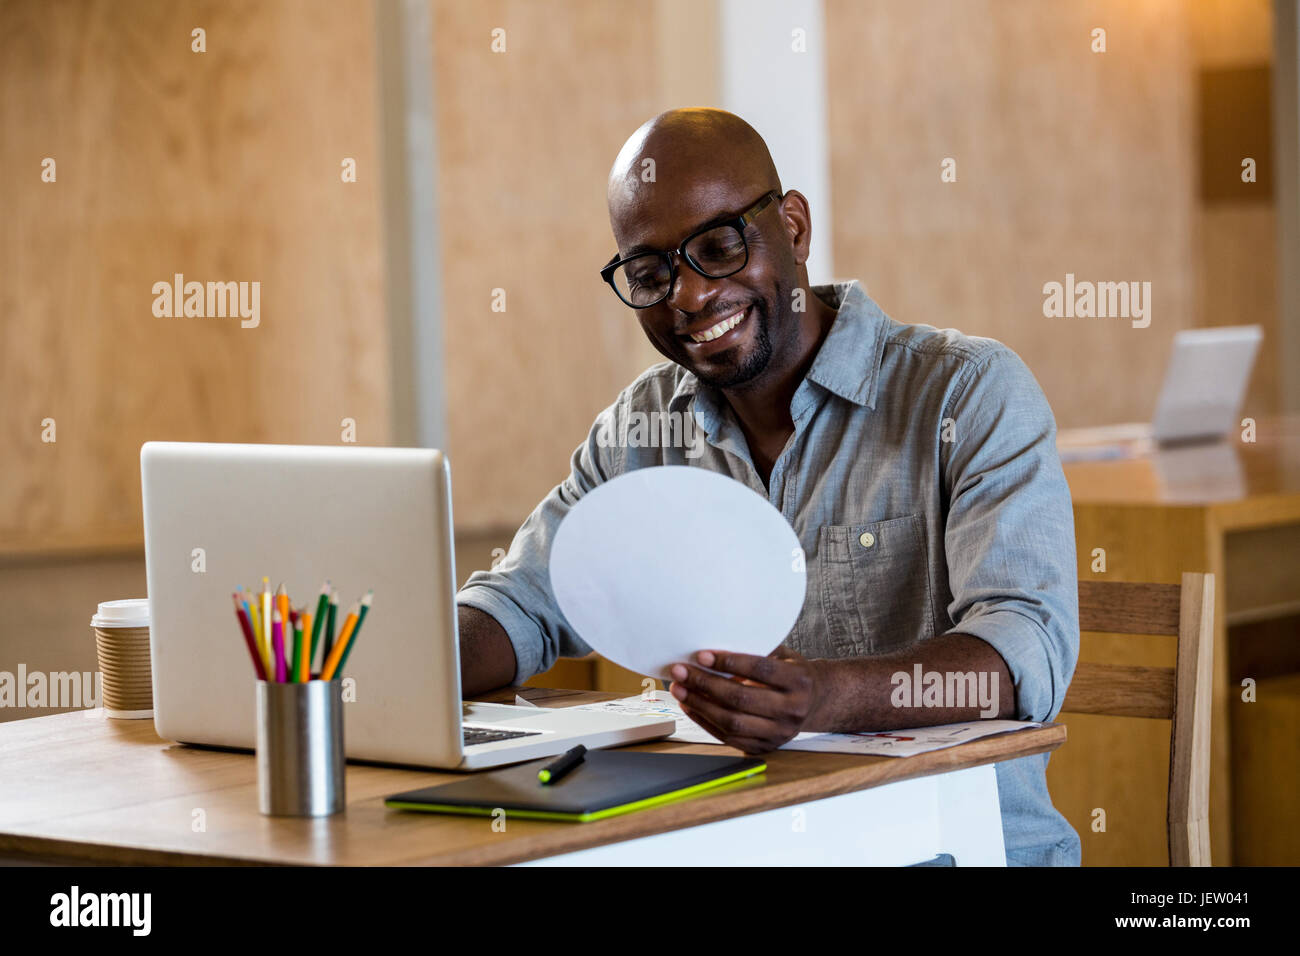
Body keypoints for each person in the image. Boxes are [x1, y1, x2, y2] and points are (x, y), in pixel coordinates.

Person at [456, 108, 1081, 866]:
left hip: (952, 848)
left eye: (717, 247)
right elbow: (520, 604)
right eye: (651, 273)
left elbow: (1022, 652)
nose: (687, 296)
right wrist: (377, 674)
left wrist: (825, 698)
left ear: (794, 227)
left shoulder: (966, 392)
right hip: (735, 844)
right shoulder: (643, 427)